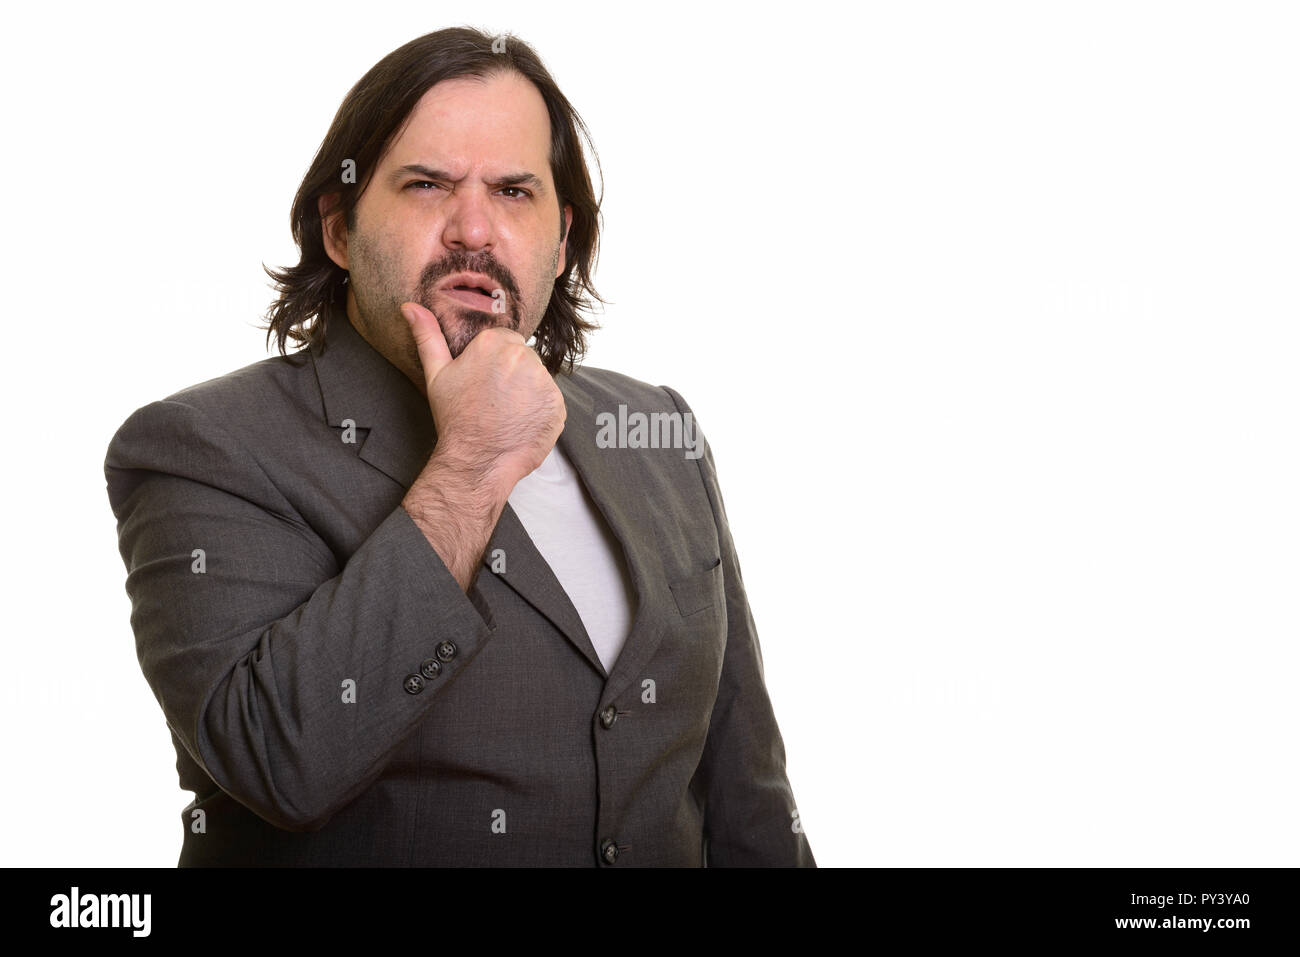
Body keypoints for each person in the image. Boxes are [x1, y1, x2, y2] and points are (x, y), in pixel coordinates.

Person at [104, 26, 814, 867]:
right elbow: (277, 760)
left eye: (515, 192)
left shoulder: (657, 430)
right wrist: (473, 464)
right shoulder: (204, 448)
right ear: (339, 228)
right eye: (427, 184)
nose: (472, 228)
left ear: (561, 238)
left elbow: (745, 788)